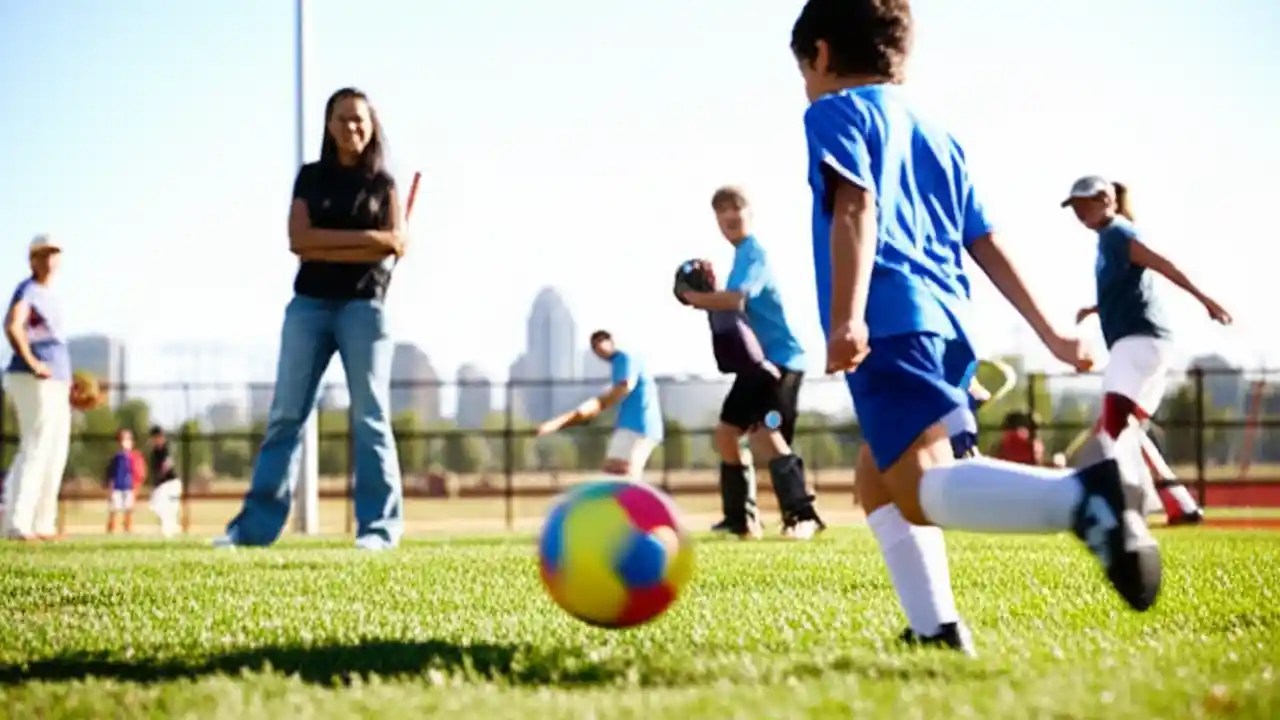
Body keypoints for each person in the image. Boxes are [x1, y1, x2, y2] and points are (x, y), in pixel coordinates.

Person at [793, 0, 1160, 656]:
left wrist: (848, 317)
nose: (807, 86)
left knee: (915, 486)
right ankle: (936, 629)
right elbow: (985, 239)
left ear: (820, 55)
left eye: (804, 73)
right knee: (878, 474)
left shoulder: (833, 113)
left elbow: (854, 205)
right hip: (947, 324)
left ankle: (1083, 498)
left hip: (888, 319)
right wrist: (1050, 330)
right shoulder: (937, 132)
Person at [215, 87, 408, 551]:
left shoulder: (383, 185)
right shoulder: (310, 178)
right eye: (342, 119)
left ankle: (379, 530)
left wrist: (334, 242)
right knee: (286, 416)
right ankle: (251, 531)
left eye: (360, 119)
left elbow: (396, 243)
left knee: (371, 416)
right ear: (329, 125)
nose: (352, 127)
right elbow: (299, 241)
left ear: (372, 125)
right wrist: (368, 241)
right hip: (310, 307)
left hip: (365, 309)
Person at [1063, 175, 1228, 526]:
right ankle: (1180, 505)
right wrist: (1095, 310)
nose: (1079, 212)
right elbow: (1127, 287)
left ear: (1106, 200)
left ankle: (1128, 505)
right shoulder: (1108, 239)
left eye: (1084, 204)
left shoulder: (1119, 233)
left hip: (1139, 342)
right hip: (1140, 343)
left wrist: (1205, 300)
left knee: (1112, 426)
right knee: (1126, 428)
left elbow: (1162, 265)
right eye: (1075, 207)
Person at [680, 187, 825, 541]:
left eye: (737, 207)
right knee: (727, 434)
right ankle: (741, 520)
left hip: (781, 365)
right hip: (756, 368)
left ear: (750, 213)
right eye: (721, 210)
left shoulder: (754, 254)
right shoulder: (740, 256)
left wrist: (693, 297)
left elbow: (736, 300)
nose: (730, 215)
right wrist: (708, 293)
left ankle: (803, 516)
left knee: (765, 434)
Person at [2, 235, 72, 542]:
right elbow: (12, 325)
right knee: (36, 445)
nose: (49, 259)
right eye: (43, 254)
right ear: (31, 260)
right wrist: (32, 362)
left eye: (54, 253)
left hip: (56, 380)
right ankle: (18, 522)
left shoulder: (52, 294)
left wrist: (69, 385)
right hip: (31, 378)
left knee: (55, 450)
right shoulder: (28, 289)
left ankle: (44, 523)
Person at [536, 330, 664, 480]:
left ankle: (638, 503)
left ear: (613, 341)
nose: (600, 347)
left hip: (636, 426)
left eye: (603, 340)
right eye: (595, 345)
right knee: (620, 476)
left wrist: (593, 407)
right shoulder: (627, 360)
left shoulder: (623, 357)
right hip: (637, 426)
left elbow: (623, 388)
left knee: (620, 475)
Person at [147, 426, 183, 537]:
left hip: (170, 482)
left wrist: (160, 474)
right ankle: (169, 527)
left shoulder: (166, 449)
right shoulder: (155, 451)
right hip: (162, 484)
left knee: (170, 506)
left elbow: (167, 464)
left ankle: (170, 528)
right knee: (157, 505)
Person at [104, 429, 140, 534]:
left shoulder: (133, 457)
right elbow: (111, 474)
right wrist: (110, 488)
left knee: (129, 509)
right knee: (114, 509)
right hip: (117, 487)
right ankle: (111, 529)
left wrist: (135, 487)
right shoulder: (117, 457)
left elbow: (137, 473)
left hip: (128, 486)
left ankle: (128, 528)